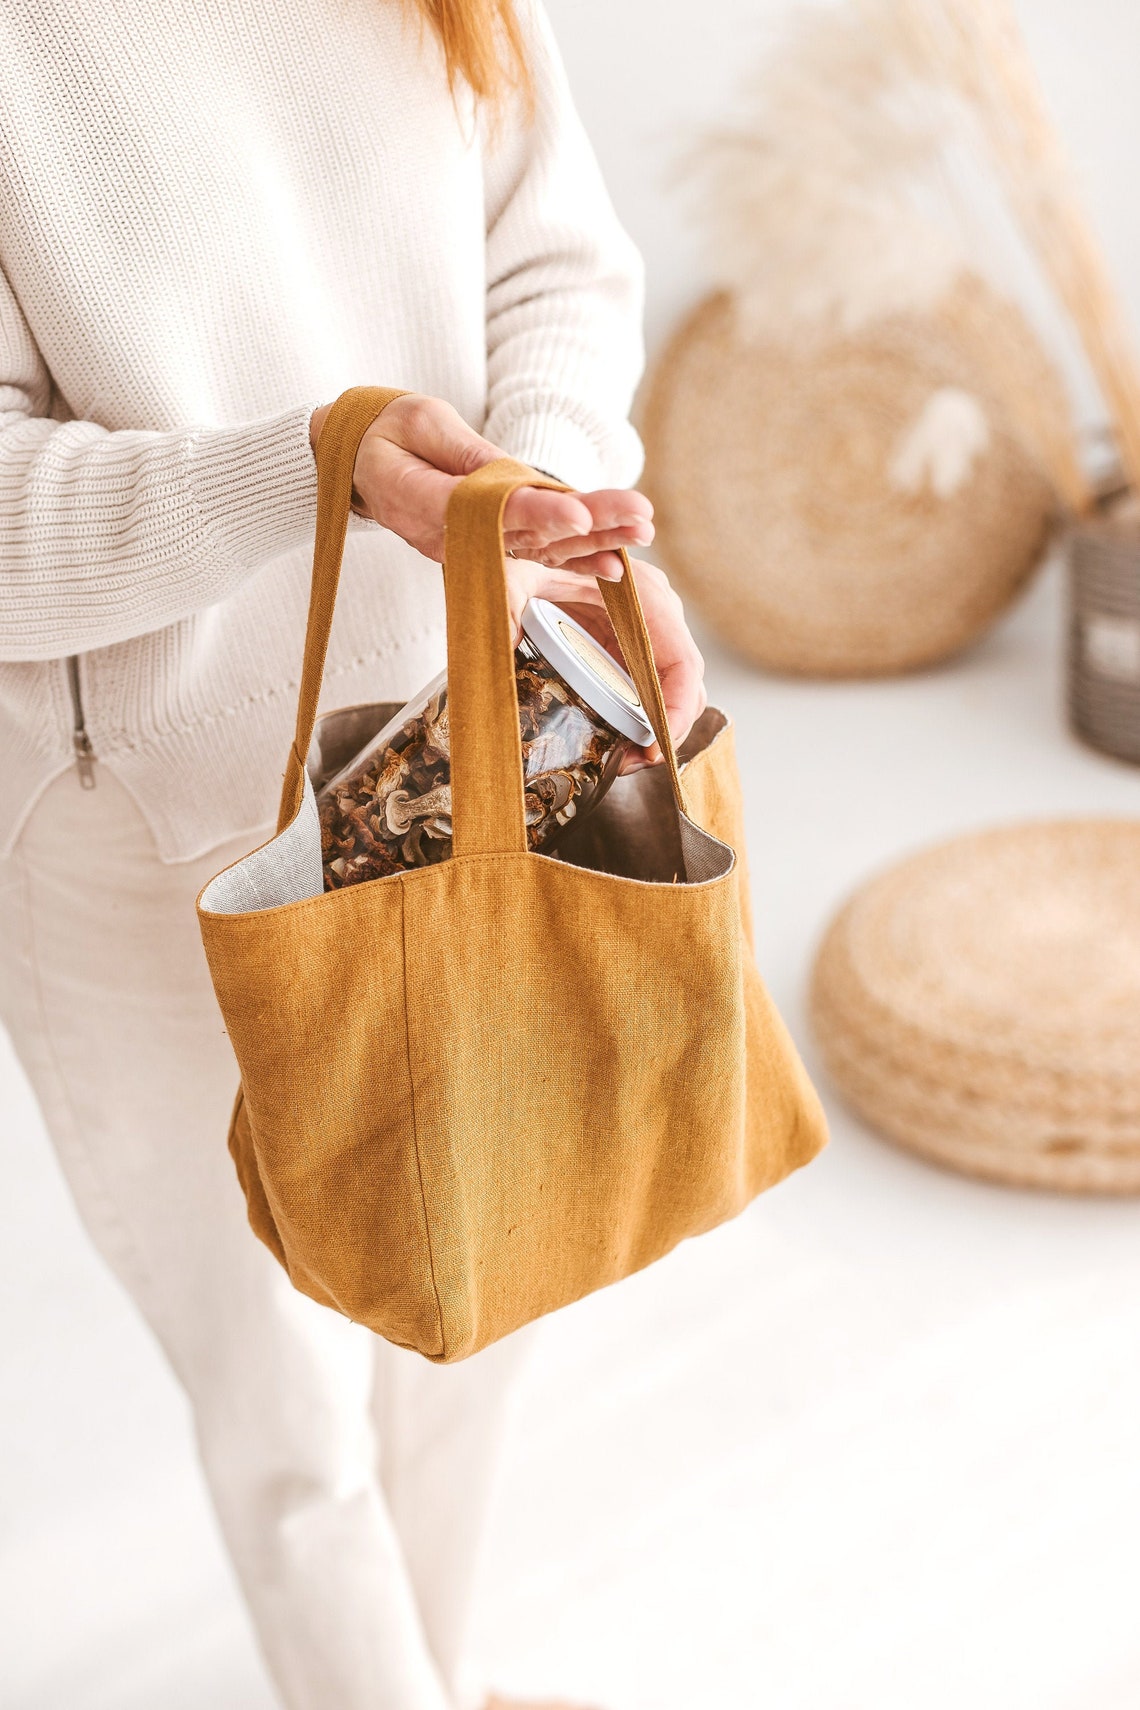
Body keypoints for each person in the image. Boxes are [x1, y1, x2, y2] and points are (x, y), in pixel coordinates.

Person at [0, 3, 705, 1707]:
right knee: (286, 1409)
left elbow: (556, 265)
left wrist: (538, 509)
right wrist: (308, 469)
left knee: (486, 1283)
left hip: (461, 728)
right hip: (139, 824)